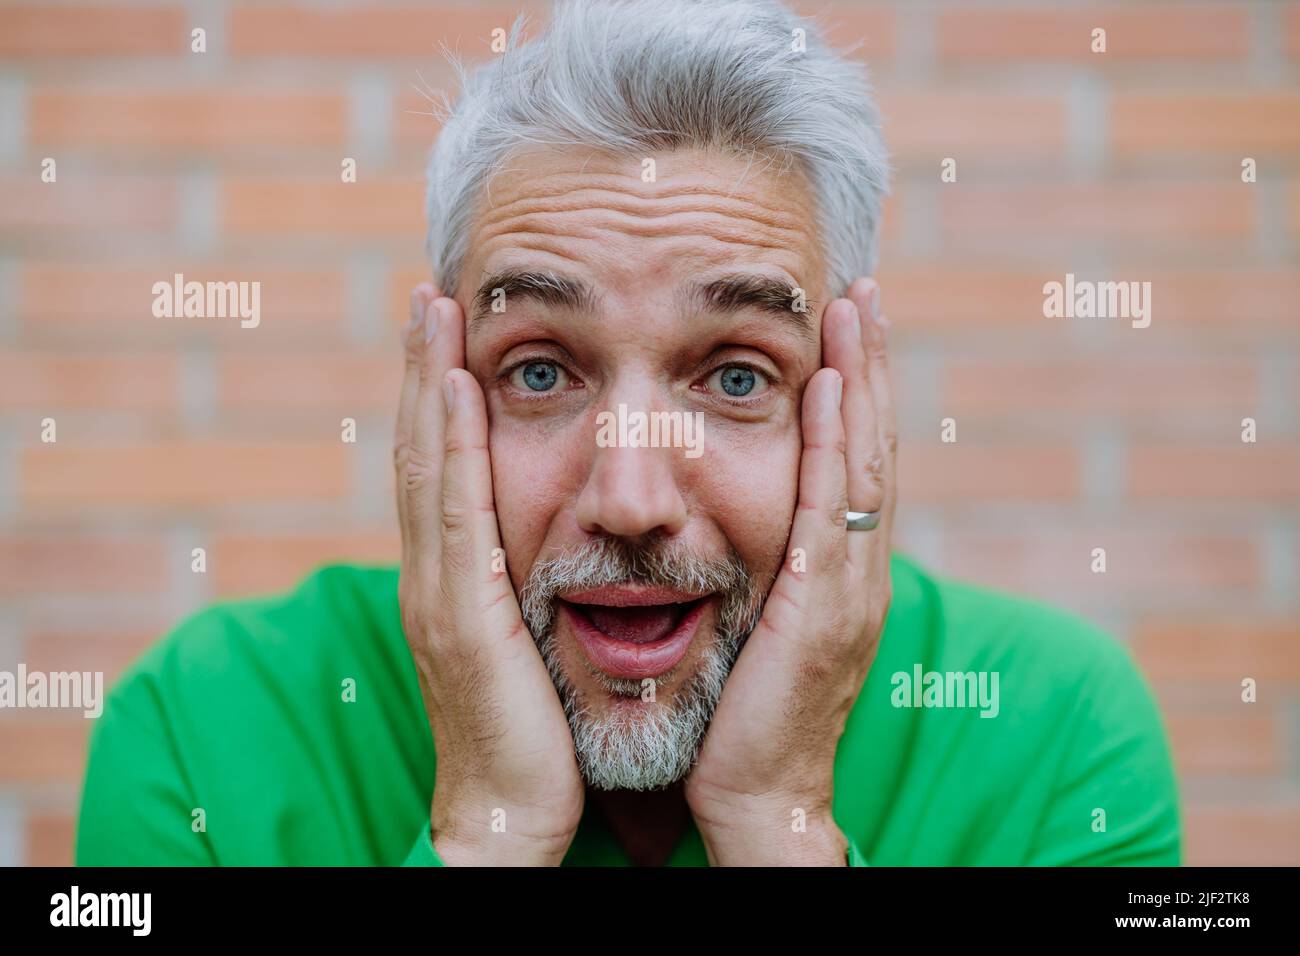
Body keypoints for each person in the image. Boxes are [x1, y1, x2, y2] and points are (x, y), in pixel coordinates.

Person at [78, 0, 1180, 866]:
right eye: (542, 370)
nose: (632, 496)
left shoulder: (1055, 732)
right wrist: (490, 829)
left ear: (844, 402)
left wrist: (776, 820)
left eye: (737, 374)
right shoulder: (202, 727)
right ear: (439, 396)